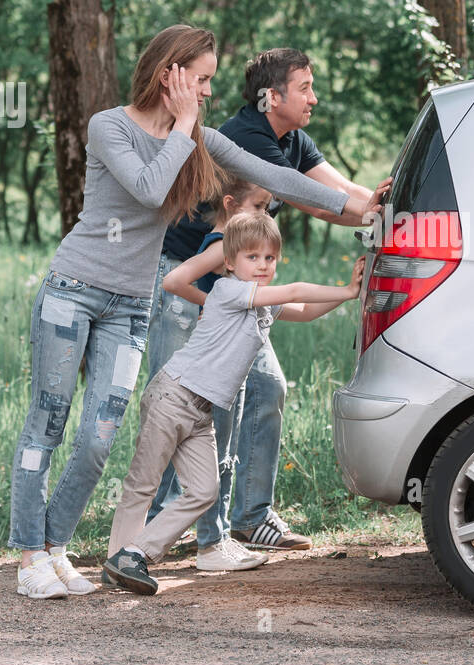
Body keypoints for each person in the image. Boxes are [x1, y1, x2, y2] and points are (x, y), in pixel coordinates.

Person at [8, 25, 385, 599]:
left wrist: (364, 211)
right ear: (170, 75)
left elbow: (278, 176)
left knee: (99, 438)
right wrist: (184, 127)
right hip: (74, 289)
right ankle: (30, 552)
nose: (208, 92)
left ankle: (56, 549)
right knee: (49, 423)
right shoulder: (110, 126)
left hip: (132, 306)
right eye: (201, 79)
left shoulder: (200, 138)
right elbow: (150, 190)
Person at [150, 47, 385, 555]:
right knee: (180, 406)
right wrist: (382, 217)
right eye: (305, 88)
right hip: (184, 279)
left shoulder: (293, 138)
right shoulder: (247, 138)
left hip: (233, 289)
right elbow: (311, 199)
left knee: (265, 388)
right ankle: (157, 528)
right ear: (270, 96)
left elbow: (342, 189)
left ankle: (250, 518)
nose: (314, 99)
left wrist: (389, 210)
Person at [103, 212, 365, 594]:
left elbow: (305, 311)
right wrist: (346, 292)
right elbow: (294, 292)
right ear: (229, 262)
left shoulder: (262, 304)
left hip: (202, 412)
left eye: (269, 259)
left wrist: (349, 291)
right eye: (251, 257)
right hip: (173, 396)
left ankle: (134, 554)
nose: (261, 266)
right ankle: (120, 563)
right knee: (143, 485)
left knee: (204, 491)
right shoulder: (228, 291)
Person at [148, 177, 272, 572]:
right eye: (259, 207)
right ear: (232, 204)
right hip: (212, 373)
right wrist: (212, 303)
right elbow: (175, 281)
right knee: (218, 449)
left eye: (269, 208)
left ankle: (195, 535)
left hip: (219, 366)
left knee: (209, 448)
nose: (265, 216)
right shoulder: (225, 247)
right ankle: (209, 542)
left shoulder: (235, 248)